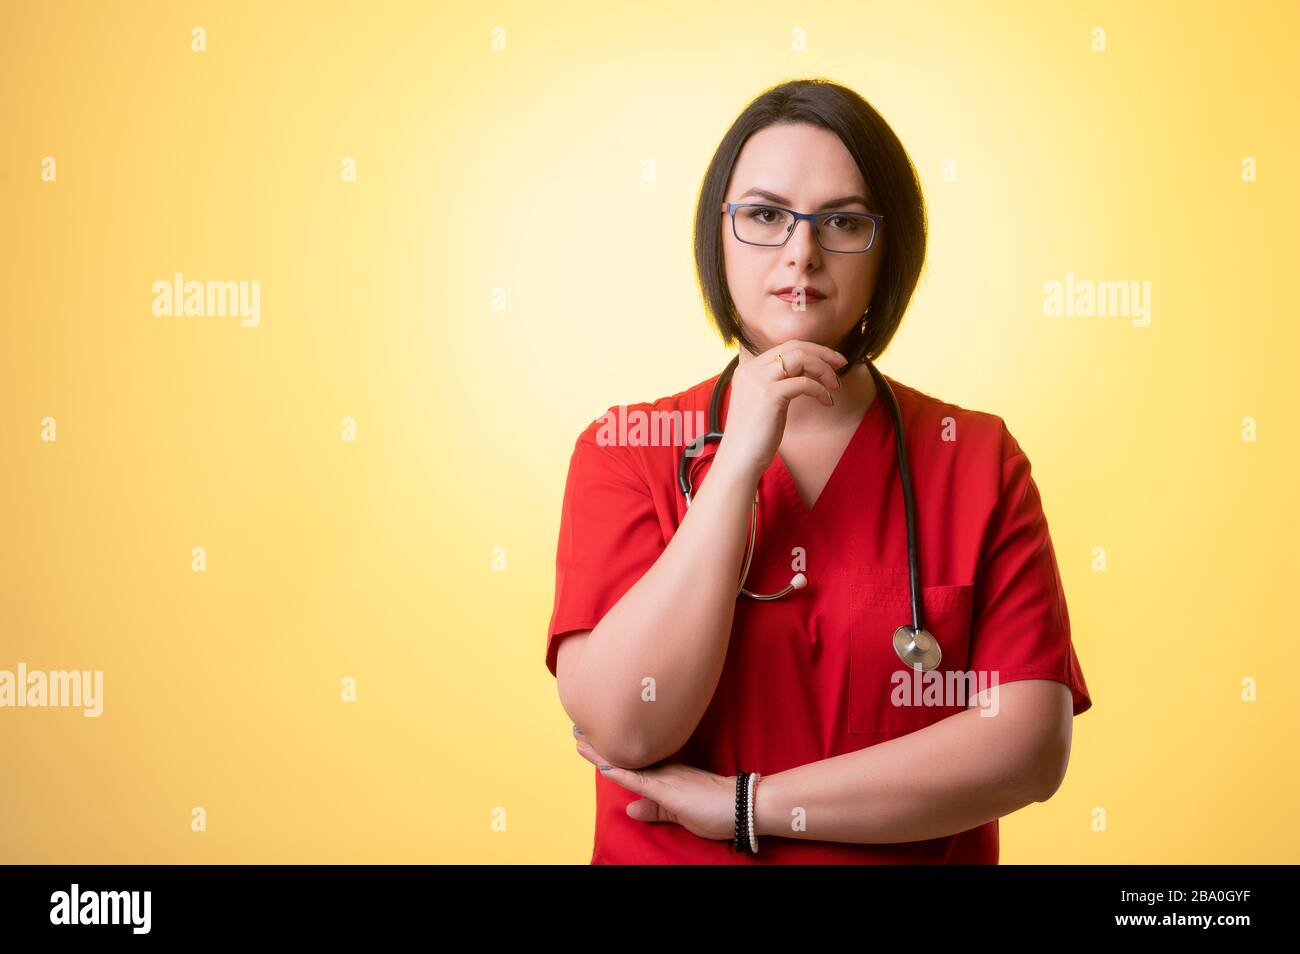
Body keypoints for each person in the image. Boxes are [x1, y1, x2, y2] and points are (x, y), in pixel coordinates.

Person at [545, 78, 1092, 864]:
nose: (801, 253)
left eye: (842, 222)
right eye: (765, 216)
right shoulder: (626, 447)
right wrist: (736, 467)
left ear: (888, 246)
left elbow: (1029, 747)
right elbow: (626, 724)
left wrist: (748, 807)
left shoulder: (976, 459)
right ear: (718, 235)